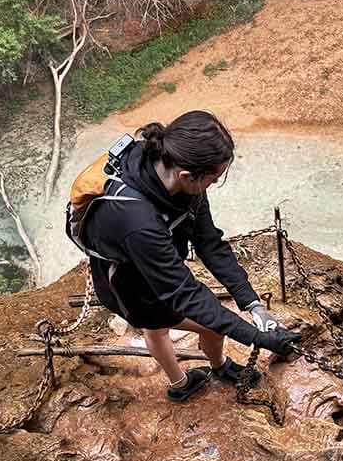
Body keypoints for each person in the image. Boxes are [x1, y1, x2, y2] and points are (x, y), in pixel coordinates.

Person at [82, 110, 301, 401]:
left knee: (196, 322)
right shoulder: (137, 219)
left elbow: (209, 242)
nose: (213, 185)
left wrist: (252, 304)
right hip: (125, 279)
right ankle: (181, 383)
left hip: (155, 254)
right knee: (157, 326)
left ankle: (216, 366)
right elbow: (183, 293)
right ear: (187, 175)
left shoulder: (179, 171)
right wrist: (255, 337)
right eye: (213, 179)